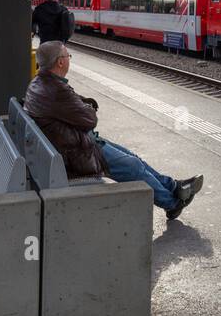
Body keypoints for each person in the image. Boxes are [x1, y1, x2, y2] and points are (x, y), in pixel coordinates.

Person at [24, 41, 202, 219]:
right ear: (60, 62)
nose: (69, 59)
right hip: (77, 154)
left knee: (133, 158)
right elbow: (90, 120)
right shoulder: (56, 90)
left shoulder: (41, 82)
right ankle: (172, 203)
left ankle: (173, 186)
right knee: (133, 167)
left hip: (72, 143)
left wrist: (82, 105)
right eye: (67, 56)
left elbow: (73, 107)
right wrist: (87, 108)